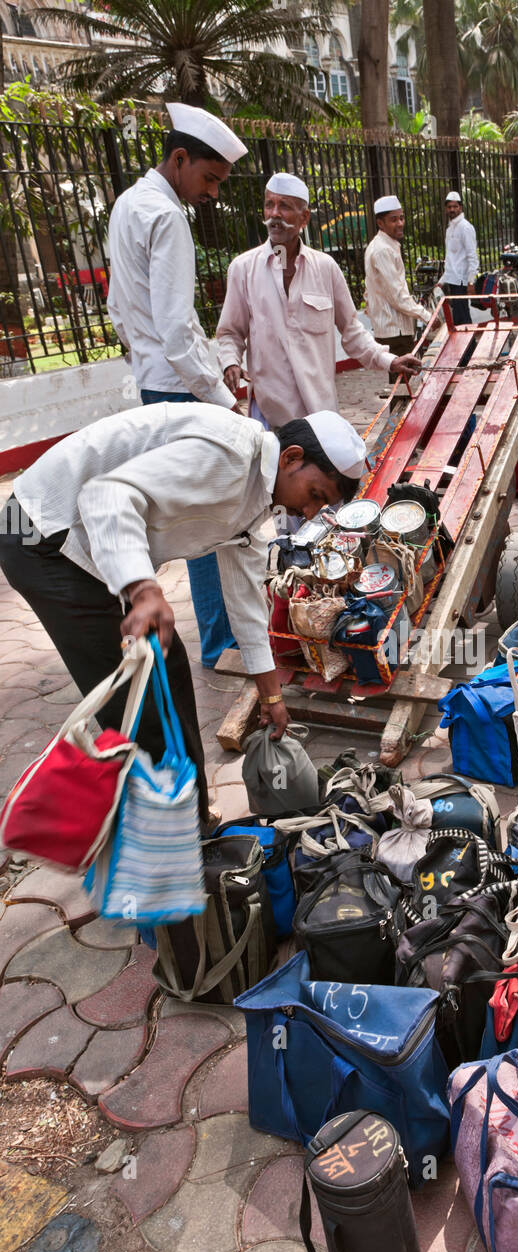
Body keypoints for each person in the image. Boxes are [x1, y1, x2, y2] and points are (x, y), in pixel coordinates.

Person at [0, 406, 366, 824]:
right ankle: (166, 837)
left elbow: (245, 598)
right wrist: (143, 588)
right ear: (291, 458)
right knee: (138, 703)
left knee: (169, 666)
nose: (310, 511)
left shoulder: (256, 494)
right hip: (36, 528)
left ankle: (193, 817)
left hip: (76, 537)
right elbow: (106, 496)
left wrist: (271, 694)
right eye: (316, 494)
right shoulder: (227, 456)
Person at [107, 103, 249, 672]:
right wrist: (223, 398)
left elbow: (123, 309)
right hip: (179, 388)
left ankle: (221, 637)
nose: (212, 194)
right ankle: (221, 642)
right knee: (209, 521)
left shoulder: (127, 204)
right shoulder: (166, 217)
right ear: (180, 158)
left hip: (153, 383)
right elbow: (176, 327)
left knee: (193, 516)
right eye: (209, 179)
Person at [217, 173, 421, 434]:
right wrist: (230, 362)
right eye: (270, 204)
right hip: (270, 419)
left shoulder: (325, 268)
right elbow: (230, 333)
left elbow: (352, 331)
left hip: (321, 415)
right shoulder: (243, 269)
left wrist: (389, 360)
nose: (274, 214)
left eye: (285, 206)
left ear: (304, 218)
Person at [364, 194, 431, 357]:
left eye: (401, 218)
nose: (400, 223)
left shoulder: (387, 245)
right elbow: (397, 296)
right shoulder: (382, 250)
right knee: (402, 381)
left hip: (393, 329)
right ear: (380, 223)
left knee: (401, 380)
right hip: (394, 331)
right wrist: (427, 316)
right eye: (393, 220)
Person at [439, 191, 479, 327]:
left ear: (460, 207)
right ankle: (468, 347)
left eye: (455, 206)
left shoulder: (465, 227)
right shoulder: (449, 230)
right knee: (458, 320)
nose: (452, 210)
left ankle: (470, 348)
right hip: (452, 281)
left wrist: (471, 282)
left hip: (461, 281)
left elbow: (472, 256)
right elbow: (450, 258)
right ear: (446, 209)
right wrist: (442, 280)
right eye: (449, 207)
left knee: (463, 319)